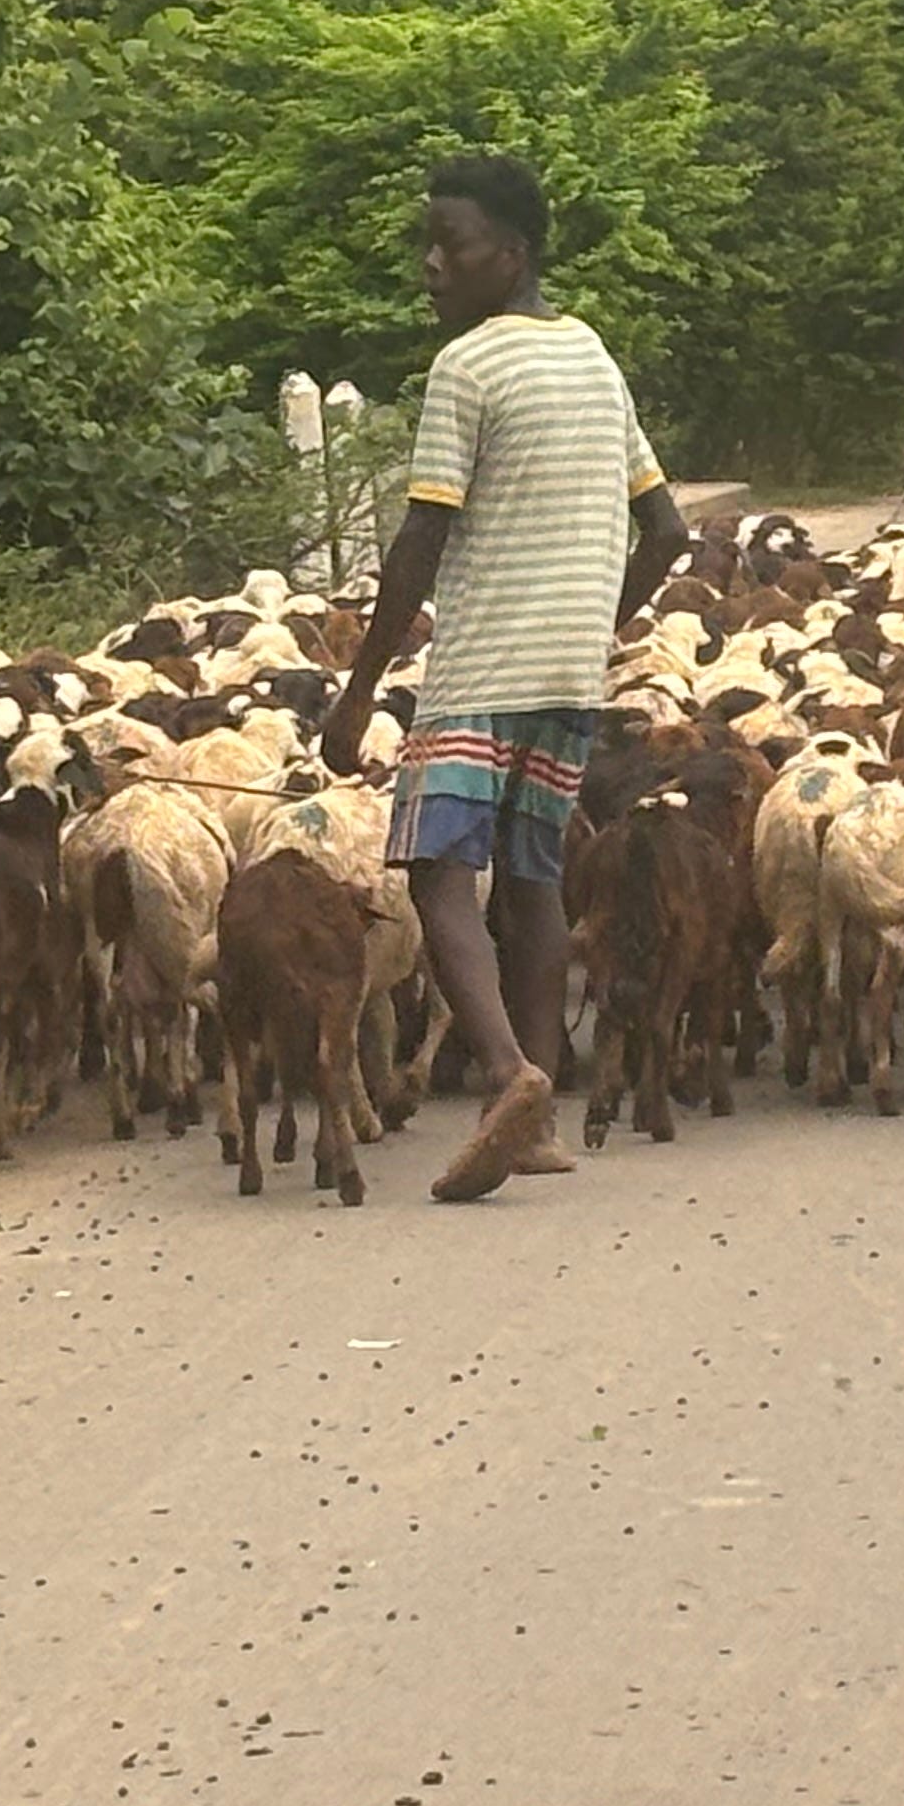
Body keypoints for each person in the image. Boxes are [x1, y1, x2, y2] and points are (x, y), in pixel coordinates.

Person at [320, 152, 688, 1202]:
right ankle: (536, 1125)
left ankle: (503, 1071)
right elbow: (666, 530)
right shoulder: (592, 356)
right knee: (531, 881)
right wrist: (594, 622)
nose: (431, 266)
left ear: (512, 254)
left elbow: (420, 537)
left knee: (438, 872)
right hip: (570, 673)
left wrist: (358, 691)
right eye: (427, 247)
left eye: (453, 245)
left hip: (481, 666)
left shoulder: (467, 367)